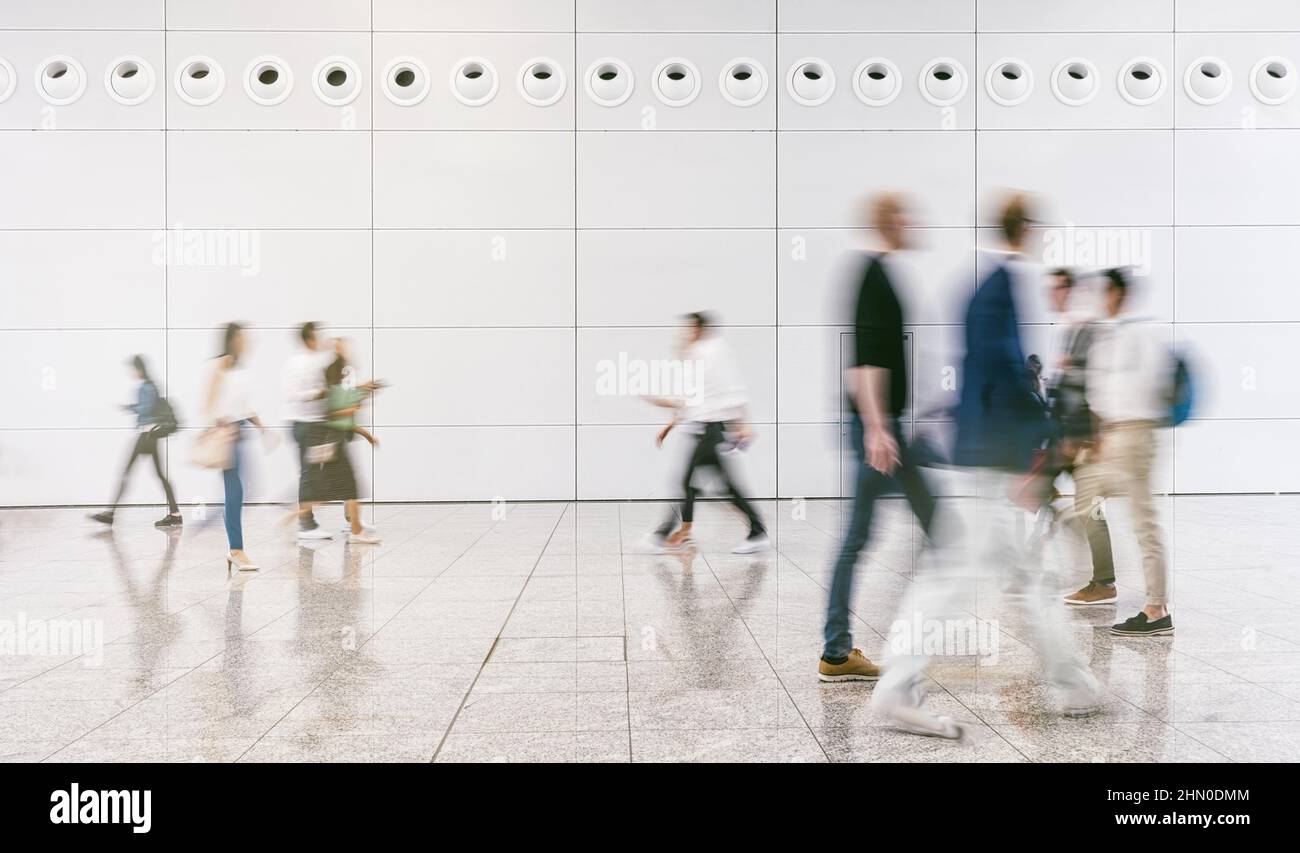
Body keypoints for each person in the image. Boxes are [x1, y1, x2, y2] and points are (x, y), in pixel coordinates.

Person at [873, 194, 1101, 737]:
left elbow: (984, 373)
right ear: (1027, 228)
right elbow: (1005, 375)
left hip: (982, 455)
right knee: (952, 575)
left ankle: (1074, 684)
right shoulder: (1003, 287)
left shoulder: (980, 285)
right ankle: (895, 688)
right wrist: (1040, 445)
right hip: (991, 459)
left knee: (1026, 574)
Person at [818, 193, 938, 683]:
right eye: (905, 213)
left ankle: (847, 648)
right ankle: (837, 650)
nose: (914, 221)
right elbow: (864, 360)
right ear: (888, 221)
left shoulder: (881, 273)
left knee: (931, 526)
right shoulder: (872, 275)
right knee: (864, 537)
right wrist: (877, 428)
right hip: (879, 430)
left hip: (885, 427)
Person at [1068, 269, 1173, 636]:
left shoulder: (1144, 332)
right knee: (1085, 497)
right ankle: (1105, 580)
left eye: (1105, 292)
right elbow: (1099, 389)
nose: (1100, 298)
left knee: (1143, 521)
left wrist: (1121, 427)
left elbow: (1147, 388)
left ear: (1118, 294)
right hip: (1108, 437)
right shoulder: (1109, 334)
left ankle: (1156, 609)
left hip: (1134, 435)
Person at [647, 312, 768, 555]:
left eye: (688, 329)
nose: (683, 334)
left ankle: (673, 534)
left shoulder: (714, 353)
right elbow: (694, 398)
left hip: (712, 430)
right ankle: (757, 531)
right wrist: (671, 424)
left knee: (687, 483)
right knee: (724, 487)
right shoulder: (698, 356)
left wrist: (742, 423)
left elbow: (732, 389)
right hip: (703, 430)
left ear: (699, 329)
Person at [1043, 269, 1118, 606]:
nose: (1051, 294)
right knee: (1067, 501)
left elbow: (1083, 388)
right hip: (1072, 434)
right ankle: (1099, 576)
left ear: (1069, 290)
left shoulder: (1084, 328)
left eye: (1057, 287)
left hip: (1081, 437)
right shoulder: (1072, 328)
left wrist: (1075, 438)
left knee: (1088, 506)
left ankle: (1103, 581)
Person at [205, 323, 272, 571]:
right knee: (235, 492)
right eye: (243, 337)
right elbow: (209, 402)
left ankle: (222, 536)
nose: (247, 341)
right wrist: (222, 422)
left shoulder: (239, 367)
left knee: (244, 491)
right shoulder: (221, 364)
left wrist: (261, 426)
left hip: (240, 432)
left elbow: (241, 405)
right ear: (232, 339)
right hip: (227, 434)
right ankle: (236, 549)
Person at [90, 355, 182, 528]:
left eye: (133, 369)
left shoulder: (146, 387)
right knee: (159, 476)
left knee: (126, 472)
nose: (132, 372)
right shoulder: (152, 385)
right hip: (150, 436)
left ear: (139, 369)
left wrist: (130, 407)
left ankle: (111, 513)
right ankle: (175, 513)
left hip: (146, 436)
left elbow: (146, 409)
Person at [307, 338, 381, 545]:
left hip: (337, 440)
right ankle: (295, 515)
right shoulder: (337, 391)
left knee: (343, 487)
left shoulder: (340, 389)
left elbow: (351, 406)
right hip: (335, 441)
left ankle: (353, 526)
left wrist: (367, 435)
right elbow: (337, 414)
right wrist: (357, 406)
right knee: (346, 487)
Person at [283, 322, 334, 540]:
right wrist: (321, 392)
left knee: (314, 473)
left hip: (312, 423)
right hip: (307, 424)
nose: (321, 339)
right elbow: (295, 393)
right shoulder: (303, 363)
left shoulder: (308, 361)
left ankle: (298, 512)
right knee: (310, 473)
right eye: (318, 336)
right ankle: (306, 523)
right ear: (309, 338)